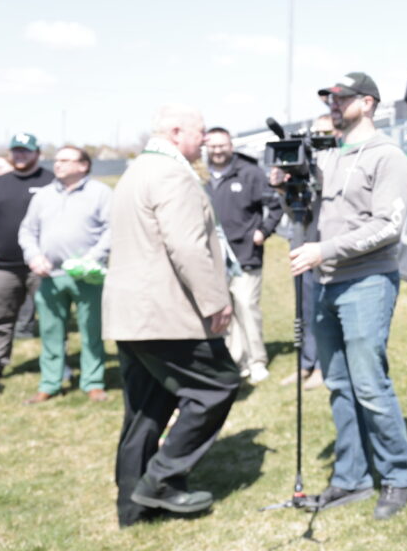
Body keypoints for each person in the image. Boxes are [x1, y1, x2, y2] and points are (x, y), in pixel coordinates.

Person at [277, 72, 407, 520]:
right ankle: (351, 477)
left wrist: (324, 250)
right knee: (338, 383)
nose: (333, 105)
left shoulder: (388, 156)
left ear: (369, 103)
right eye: (328, 99)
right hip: (326, 282)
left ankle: (398, 478)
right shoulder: (329, 157)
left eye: (342, 98)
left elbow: (387, 226)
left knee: (370, 385)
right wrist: (289, 190)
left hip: (368, 281)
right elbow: (307, 216)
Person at [104, 105, 240, 526]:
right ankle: (161, 480)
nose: (204, 140)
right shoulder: (170, 174)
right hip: (164, 313)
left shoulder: (137, 171)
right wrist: (216, 301)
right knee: (219, 384)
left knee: (148, 406)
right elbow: (186, 247)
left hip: (133, 315)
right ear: (177, 131)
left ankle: (133, 506)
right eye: (200, 132)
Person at [17, 145, 111, 403]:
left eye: (66, 160)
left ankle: (93, 381)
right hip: (49, 275)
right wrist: (34, 256)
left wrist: (91, 259)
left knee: (91, 331)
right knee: (50, 331)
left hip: (87, 276)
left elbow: (111, 229)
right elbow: (27, 231)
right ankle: (51, 382)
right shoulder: (43, 196)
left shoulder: (101, 193)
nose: (58, 165)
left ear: (83, 165)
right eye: (57, 160)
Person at [203, 126, 284, 384]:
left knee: (247, 307)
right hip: (213, 260)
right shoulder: (199, 177)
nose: (217, 150)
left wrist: (263, 231)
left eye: (222, 145)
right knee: (225, 312)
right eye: (212, 146)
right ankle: (236, 361)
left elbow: (275, 205)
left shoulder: (250, 173)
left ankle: (256, 360)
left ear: (231, 145)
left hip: (245, 255)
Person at [0, 132, 55, 384]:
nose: (20, 155)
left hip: (42, 266)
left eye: (25, 150)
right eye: (16, 150)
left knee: (51, 320)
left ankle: (55, 368)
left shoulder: (51, 183)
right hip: (3, 266)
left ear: (37, 153)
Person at [280, 113, 333, 390]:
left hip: (326, 248)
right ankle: (305, 363)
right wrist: (282, 188)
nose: (319, 139)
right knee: (303, 308)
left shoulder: (337, 166)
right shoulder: (306, 167)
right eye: (316, 134)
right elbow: (293, 213)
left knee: (320, 310)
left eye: (325, 133)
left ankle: (323, 367)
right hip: (302, 244)